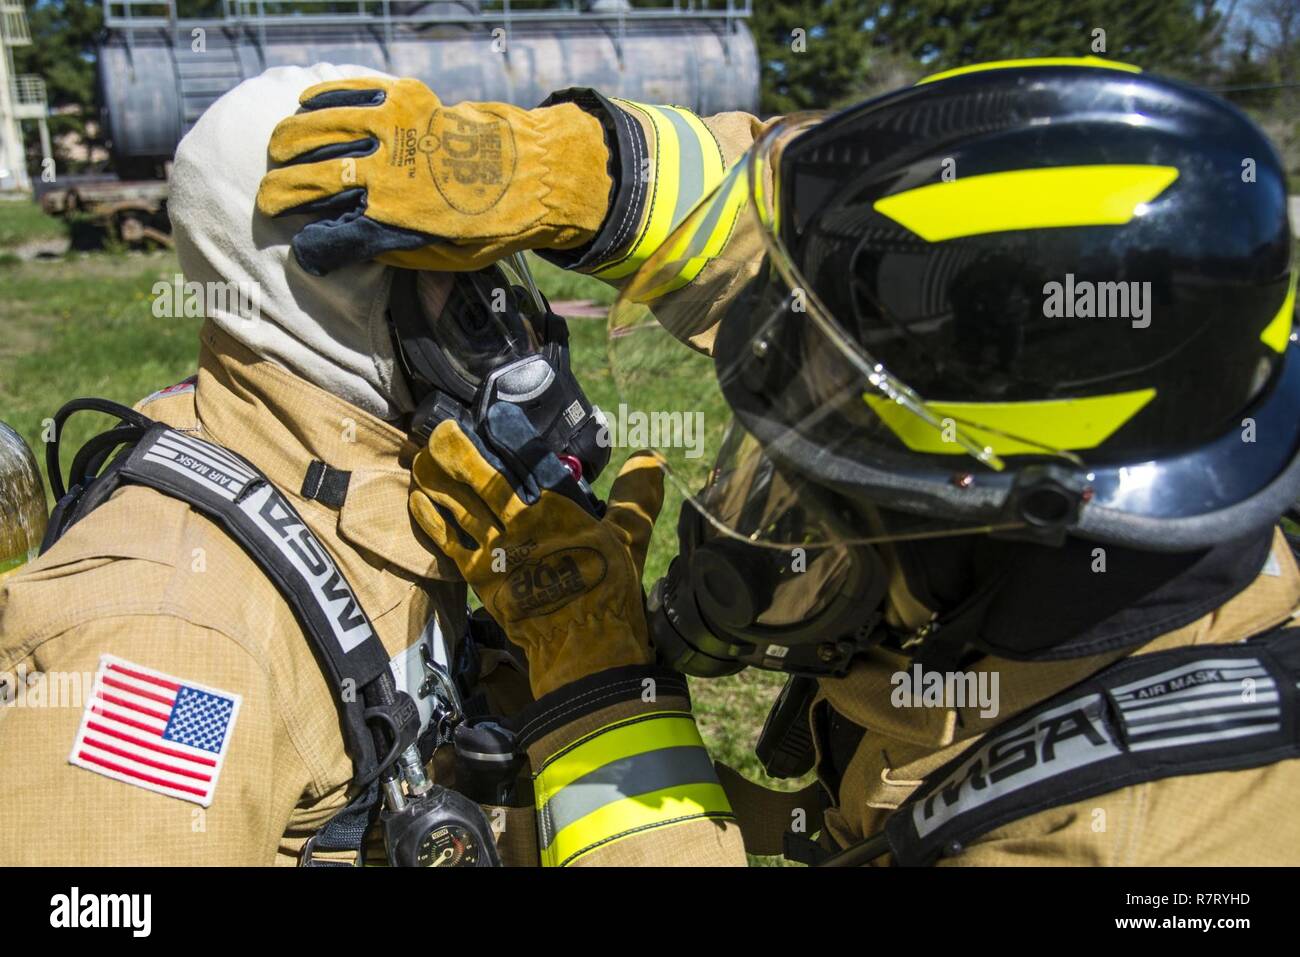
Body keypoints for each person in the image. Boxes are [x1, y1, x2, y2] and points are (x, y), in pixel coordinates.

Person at [260, 56, 1300, 865]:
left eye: (821, 499)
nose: (752, 522)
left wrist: (600, 697)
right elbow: (857, 245)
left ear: (999, 518)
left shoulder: (1133, 844)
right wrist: (593, 178)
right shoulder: (1050, 585)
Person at [0, 63, 539, 865]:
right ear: (331, 295)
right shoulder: (168, 640)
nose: (503, 314)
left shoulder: (393, 481)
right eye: (455, 274)